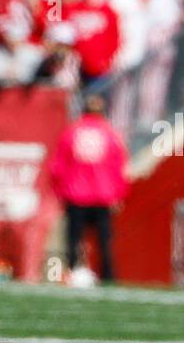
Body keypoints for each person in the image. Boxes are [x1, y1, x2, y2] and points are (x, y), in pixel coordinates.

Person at [47, 94, 129, 285]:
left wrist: (59, 192)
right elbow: (119, 168)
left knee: (73, 240)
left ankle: (72, 273)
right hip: (103, 195)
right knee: (104, 241)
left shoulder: (71, 132)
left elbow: (58, 166)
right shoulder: (111, 135)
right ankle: (107, 275)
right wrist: (119, 194)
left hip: (76, 194)